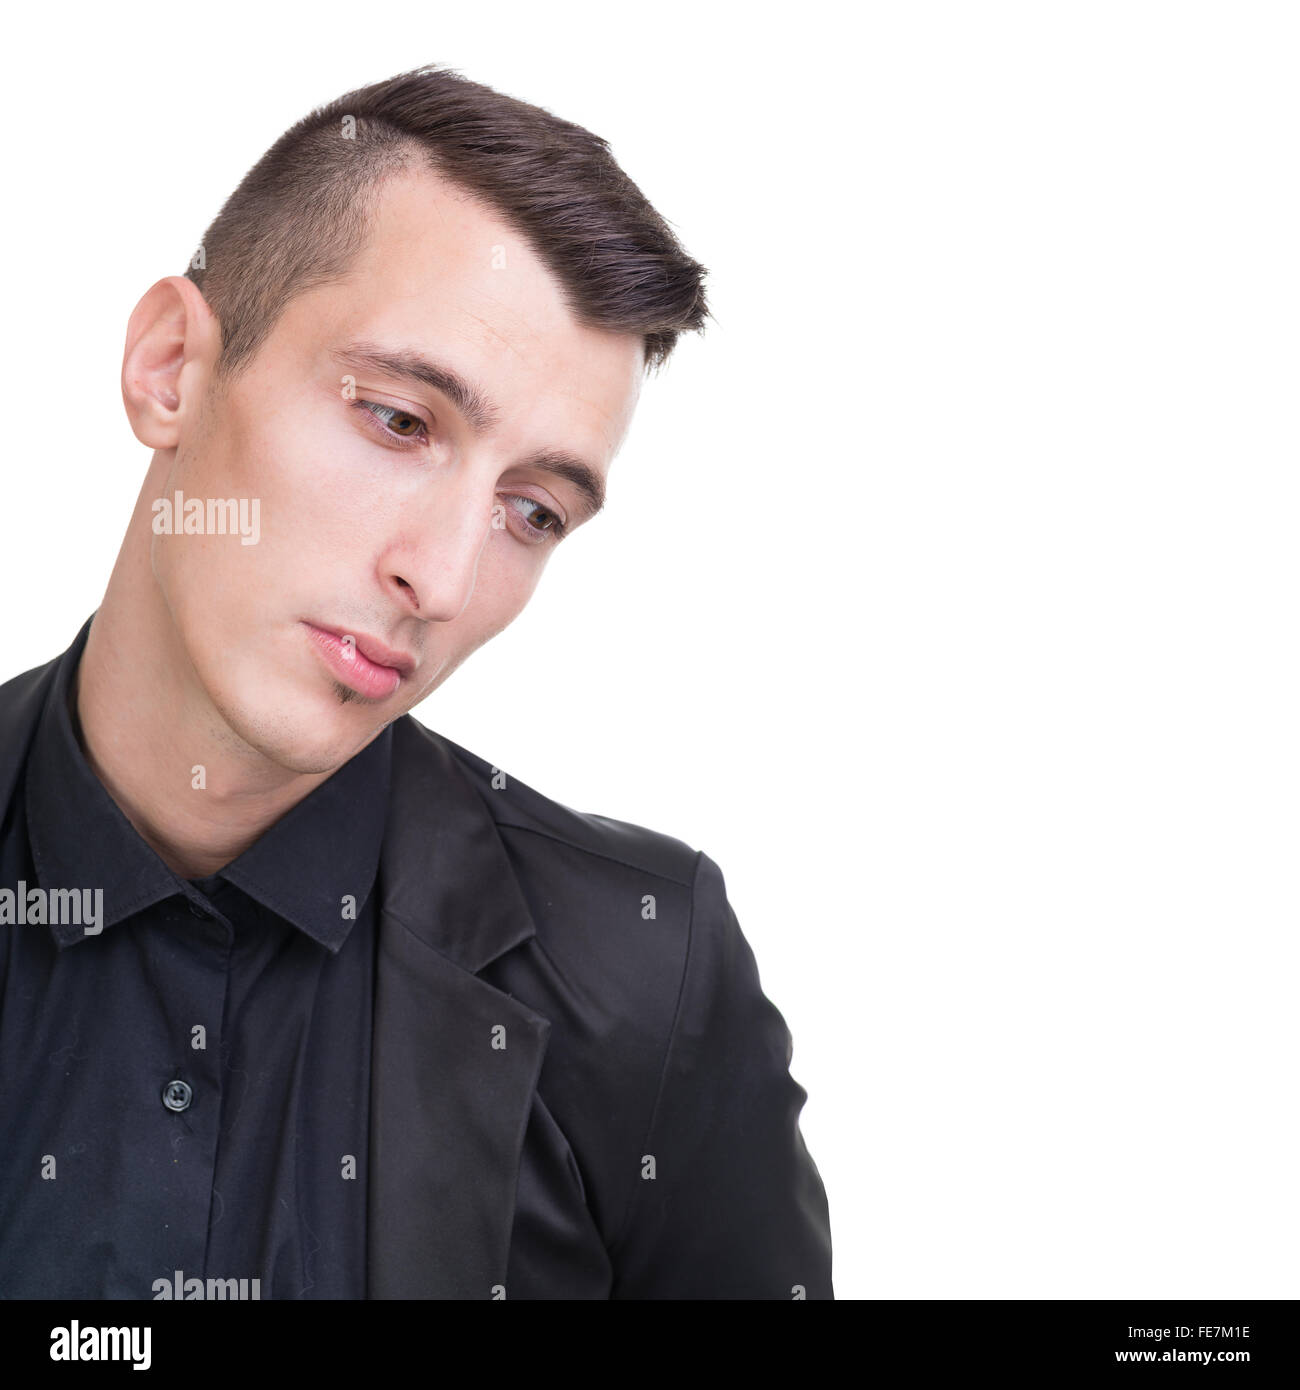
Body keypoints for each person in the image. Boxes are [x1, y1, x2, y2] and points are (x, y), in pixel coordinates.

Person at [0, 65, 832, 1299]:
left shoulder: (646, 978)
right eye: (397, 420)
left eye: (532, 511)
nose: (440, 578)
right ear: (172, 367)